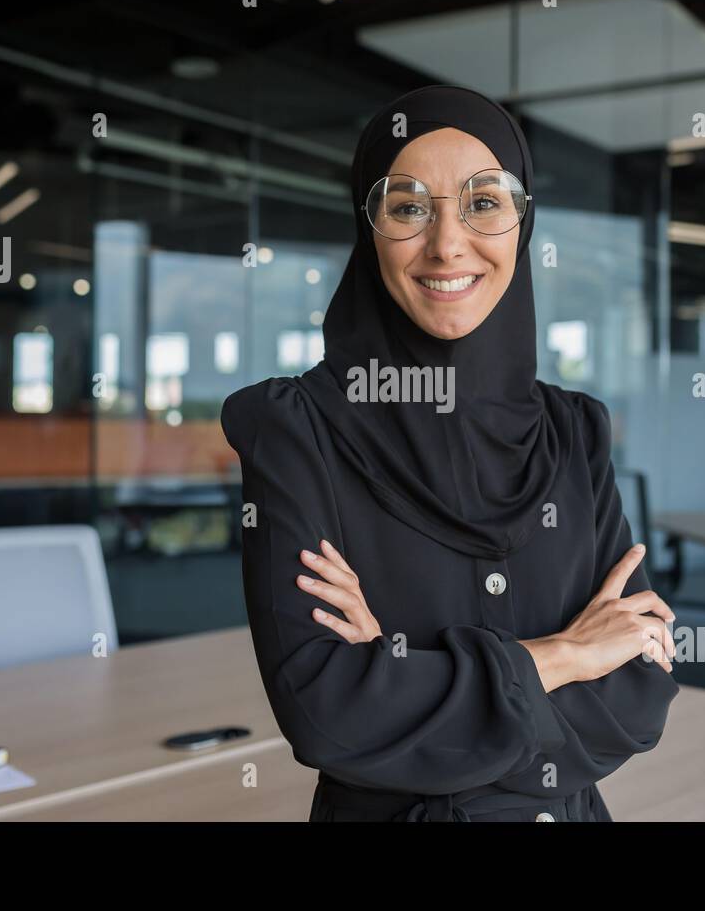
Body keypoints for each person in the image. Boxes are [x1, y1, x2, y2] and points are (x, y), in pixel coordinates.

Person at [221, 84, 679, 822]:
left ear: (522, 224)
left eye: (485, 202)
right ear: (369, 227)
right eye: (408, 208)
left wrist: (406, 689)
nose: (446, 244)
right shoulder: (298, 432)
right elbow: (327, 715)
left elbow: (638, 697)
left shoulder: (574, 434)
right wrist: (566, 657)